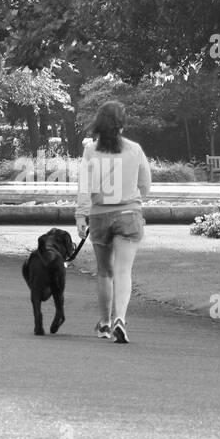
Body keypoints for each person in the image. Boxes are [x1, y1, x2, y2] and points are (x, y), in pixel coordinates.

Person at [75, 100, 151, 343]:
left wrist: (80, 215)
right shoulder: (135, 149)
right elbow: (145, 186)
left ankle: (105, 323)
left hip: (99, 215)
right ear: (122, 124)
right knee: (123, 270)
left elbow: (84, 187)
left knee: (104, 271)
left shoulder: (91, 151)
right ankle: (121, 319)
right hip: (128, 214)